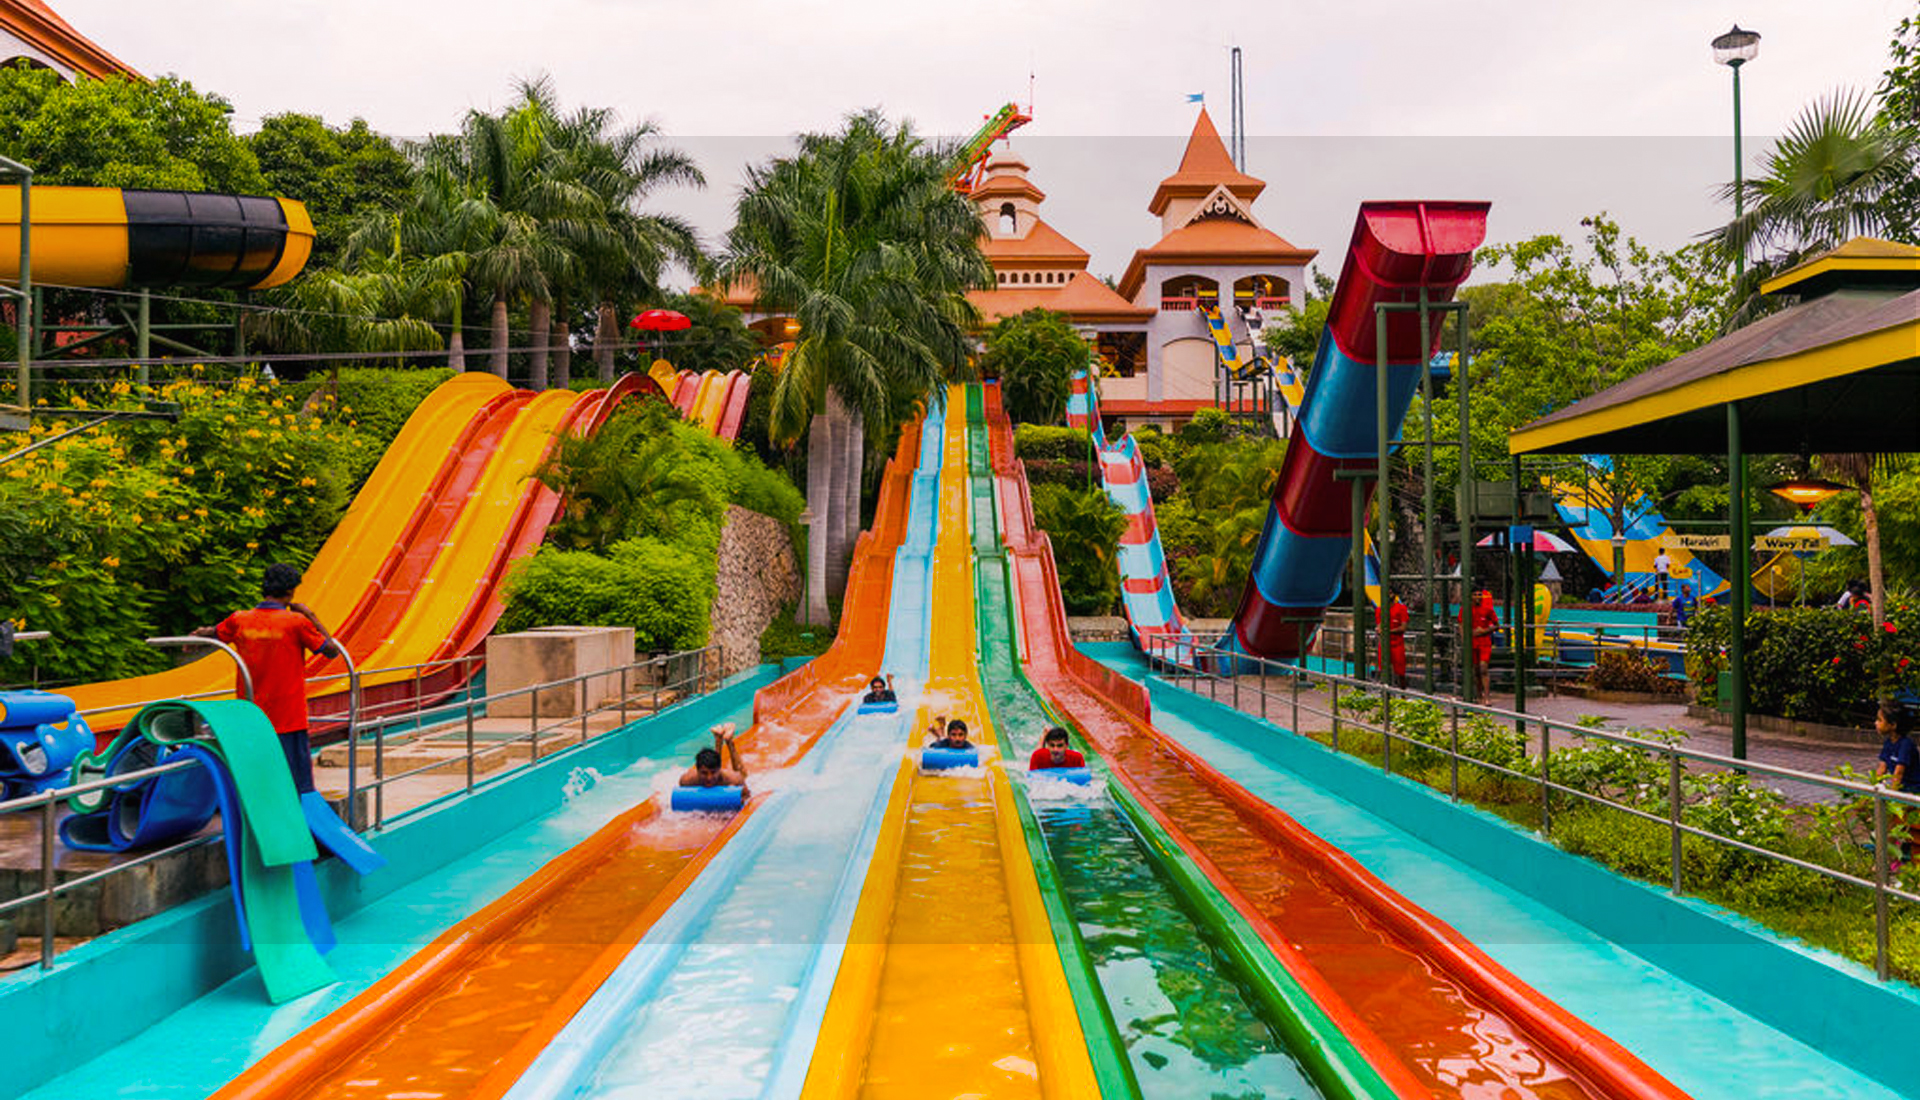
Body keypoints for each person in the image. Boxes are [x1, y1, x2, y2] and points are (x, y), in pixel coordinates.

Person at [194, 563, 340, 795]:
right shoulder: (296, 622)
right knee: (295, 784)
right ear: (291, 591)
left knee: (255, 779)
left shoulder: (240, 619)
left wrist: (198, 635)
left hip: (251, 714)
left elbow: (215, 633)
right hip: (288, 716)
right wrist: (310, 615)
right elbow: (331, 651)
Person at [1876, 703, 1920, 862]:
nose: (1876, 723)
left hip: (1913, 790)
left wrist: (1891, 797)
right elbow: (1881, 770)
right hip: (1902, 789)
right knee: (1875, 813)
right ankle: (1885, 853)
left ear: (1893, 725)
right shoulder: (1888, 743)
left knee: (1890, 819)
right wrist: (1870, 790)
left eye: (1879, 720)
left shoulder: (1906, 744)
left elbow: (1898, 773)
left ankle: (1885, 859)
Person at [680, 723, 748, 792]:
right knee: (714, 765)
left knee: (741, 775)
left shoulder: (733, 780)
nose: (709, 778)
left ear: (720, 769)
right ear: (697, 771)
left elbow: (747, 796)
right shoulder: (687, 781)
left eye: (713, 773)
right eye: (704, 773)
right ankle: (718, 739)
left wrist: (735, 794)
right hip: (715, 774)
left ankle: (729, 742)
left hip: (727, 778)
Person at [1470, 590, 1498, 700]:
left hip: (1485, 643)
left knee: (1483, 668)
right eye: (1475, 595)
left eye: (1479, 595)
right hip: (1473, 643)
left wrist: (1484, 631)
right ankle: (1479, 695)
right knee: (1476, 670)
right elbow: (1461, 624)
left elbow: (1496, 625)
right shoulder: (1466, 609)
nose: (1478, 597)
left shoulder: (1488, 609)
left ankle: (1486, 696)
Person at [1379, 596, 1410, 689]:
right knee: (1383, 669)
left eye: (1391, 592)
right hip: (1384, 643)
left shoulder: (1401, 608)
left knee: (1400, 671)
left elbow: (1403, 627)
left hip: (1397, 643)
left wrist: (1387, 631)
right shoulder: (1379, 609)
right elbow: (1379, 626)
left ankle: (1403, 692)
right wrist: (1380, 630)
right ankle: (1384, 692)